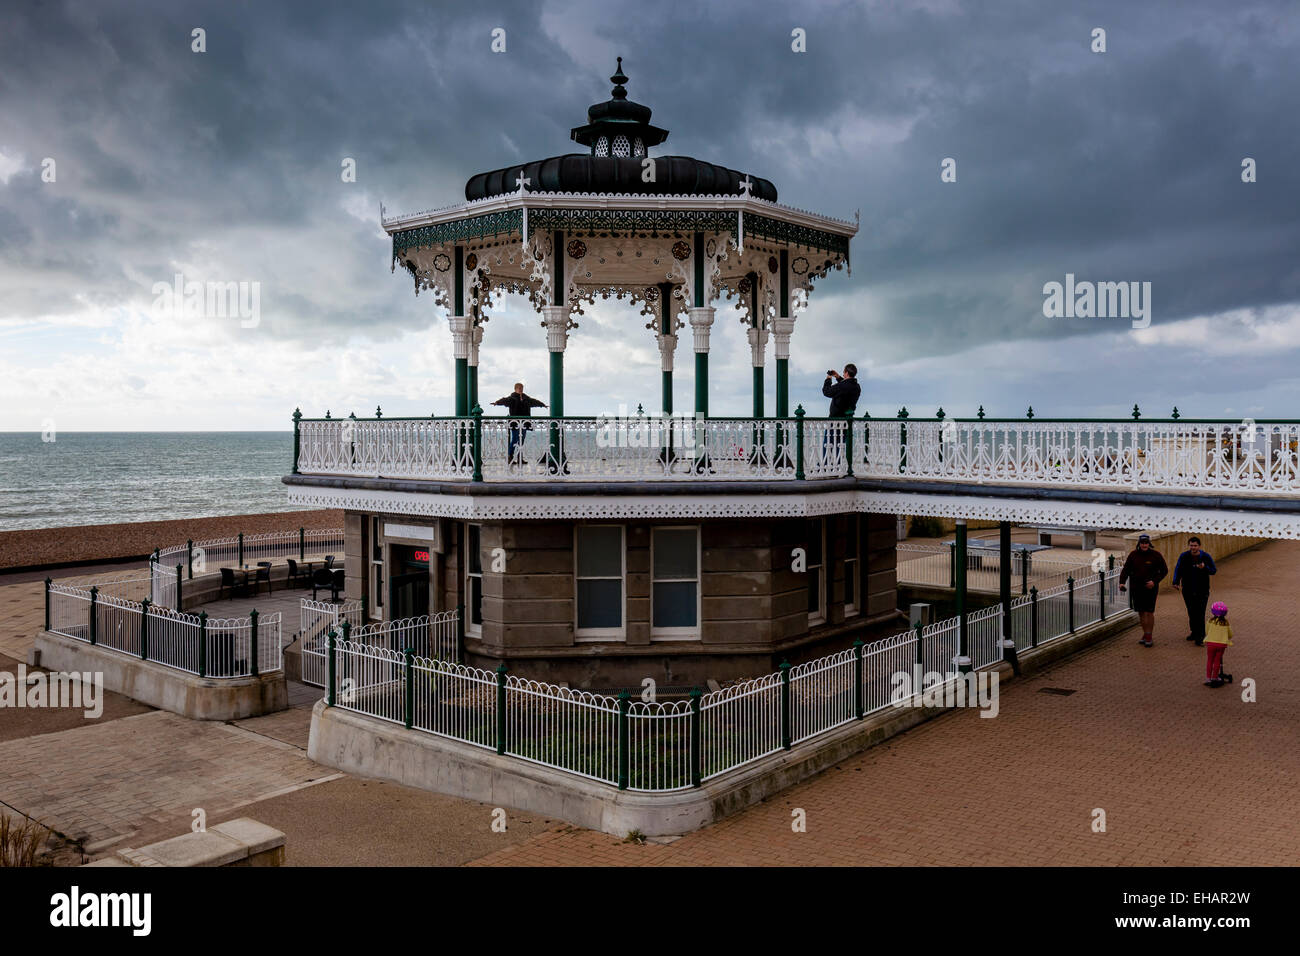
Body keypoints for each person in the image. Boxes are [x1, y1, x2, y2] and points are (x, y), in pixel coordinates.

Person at [1119, 533, 1168, 647]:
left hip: (1151, 589)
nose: (1144, 545)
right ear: (1139, 544)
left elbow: (1164, 571)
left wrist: (1154, 581)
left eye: (1146, 543)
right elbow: (1126, 570)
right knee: (1141, 612)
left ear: (1149, 543)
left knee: (1149, 612)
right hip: (1136, 588)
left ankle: (1149, 636)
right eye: (1142, 543)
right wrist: (1122, 582)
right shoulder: (1133, 555)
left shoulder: (1156, 555)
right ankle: (1145, 633)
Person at [1172, 536, 1217, 646]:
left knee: (1200, 613)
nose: (1193, 547)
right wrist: (1175, 581)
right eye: (1191, 545)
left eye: (1195, 545)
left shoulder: (1206, 557)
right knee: (1191, 612)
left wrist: (1204, 567)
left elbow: (1213, 570)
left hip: (1202, 590)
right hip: (1188, 590)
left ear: (1199, 546)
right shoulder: (1184, 556)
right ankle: (1194, 632)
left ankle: (1200, 638)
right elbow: (1178, 569)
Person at [491, 383, 546, 463]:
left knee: (521, 440)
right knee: (514, 439)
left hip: (524, 423)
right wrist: (497, 403)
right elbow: (504, 400)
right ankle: (510, 457)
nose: (521, 389)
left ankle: (520, 458)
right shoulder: (512, 398)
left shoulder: (526, 398)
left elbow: (534, 402)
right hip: (515, 423)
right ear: (515, 389)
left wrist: (542, 405)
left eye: (522, 388)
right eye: (519, 388)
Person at [820, 364, 860, 464]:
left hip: (835, 420)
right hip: (846, 420)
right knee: (840, 445)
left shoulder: (842, 386)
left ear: (846, 373)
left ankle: (824, 465)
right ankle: (838, 465)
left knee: (828, 444)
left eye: (843, 372)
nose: (843, 373)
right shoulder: (856, 387)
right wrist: (838, 377)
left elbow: (826, 392)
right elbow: (847, 385)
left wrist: (828, 378)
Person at [1203, 601, 1234, 687]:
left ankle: (1208, 678)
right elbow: (1231, 634)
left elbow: (1206, 631)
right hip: (1221, 645)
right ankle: (1215, 677)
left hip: (1211, 644)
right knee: (1217, 661)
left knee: (1210, 660)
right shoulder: (1226, 623)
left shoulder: (1210, 621)